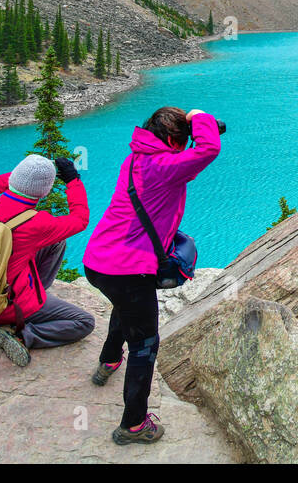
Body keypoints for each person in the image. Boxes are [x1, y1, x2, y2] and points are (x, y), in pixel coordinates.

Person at [83, 107, 221, 446]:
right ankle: (133, 425)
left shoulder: (137, 159)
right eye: (182, 140)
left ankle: (109, 361)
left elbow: (184, 167)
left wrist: (193, 130)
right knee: (145, 343)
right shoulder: (164, 167)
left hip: (98, 261)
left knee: (125, 306)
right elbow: (208, 150)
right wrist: (201, 118)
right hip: (127, 269)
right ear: (174, 140)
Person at [0, 154, 94, 366]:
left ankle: (35, 295)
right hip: (5, 305)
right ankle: (22, 334)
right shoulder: (37, 224)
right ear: (45, 191)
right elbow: (80, 220)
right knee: (84, 322)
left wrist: (25, 174)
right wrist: (72, 180)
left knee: (54, 243)